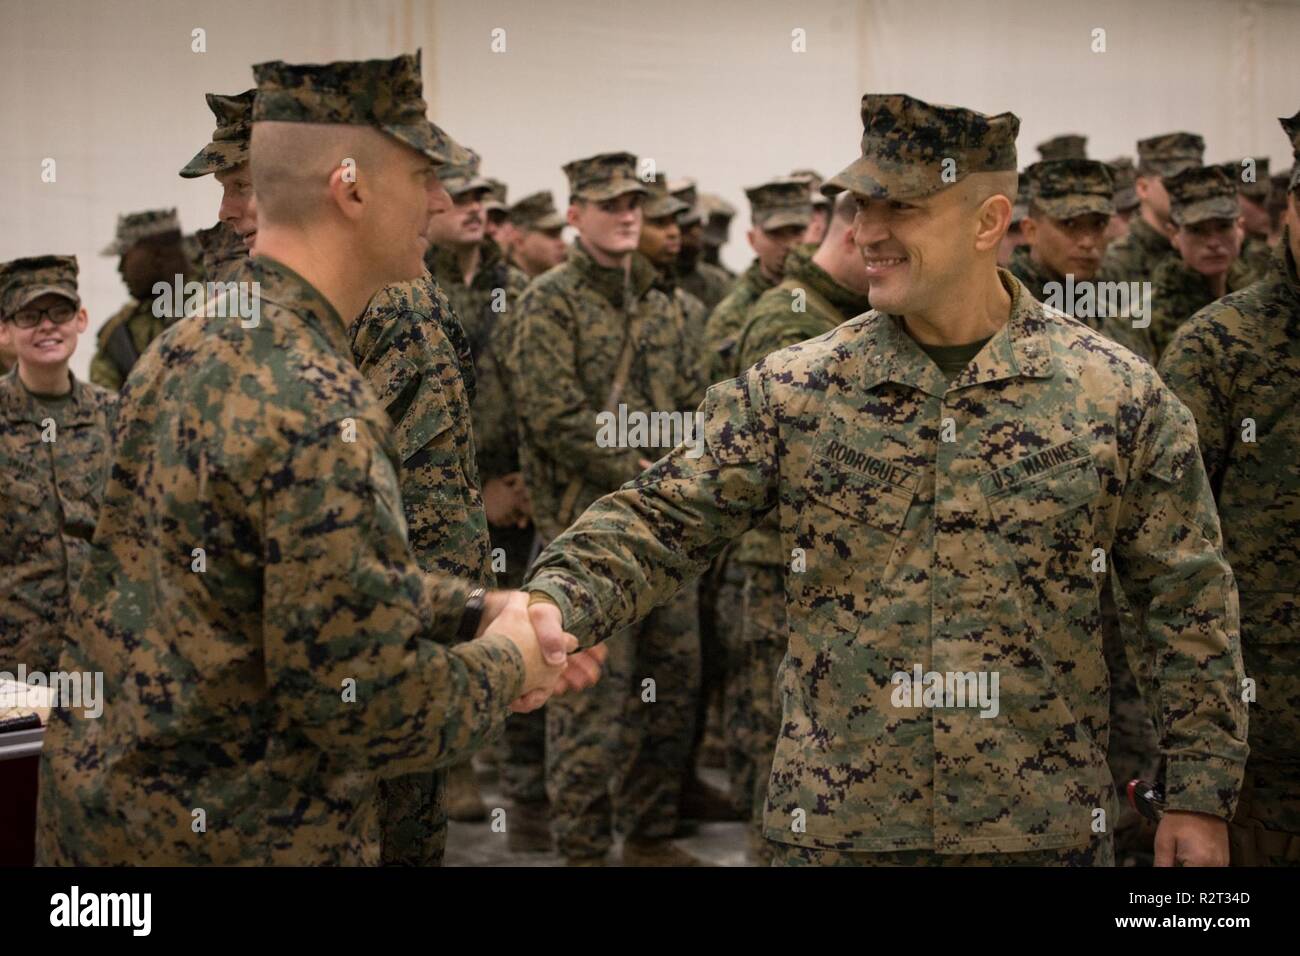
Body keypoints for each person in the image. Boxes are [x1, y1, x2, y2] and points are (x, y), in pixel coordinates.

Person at [522, 93, 1247, 867]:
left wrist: (1198, 795)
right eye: (861, 205)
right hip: (840, 831)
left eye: (899, 206)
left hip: (1037, 831)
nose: (866, 231)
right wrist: (548, 602)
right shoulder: (800, 387)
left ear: (986, 221)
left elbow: (1186, 595)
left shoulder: (1115, 396)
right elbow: (659, 518)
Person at [36, 51, 586, 867]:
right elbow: (369, 703)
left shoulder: (192, 342)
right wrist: (509, 661)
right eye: (423, 174)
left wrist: (469, 606)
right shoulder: (316, 399)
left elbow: (283, 568)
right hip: (247, 828)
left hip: (125, 823)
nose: (439, 202)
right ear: (353, 188)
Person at [512, 151, 707, 866]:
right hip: (584, 539)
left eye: (636, 205)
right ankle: (584, 849)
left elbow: (699, 407)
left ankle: (650, 838)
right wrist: (640, 473)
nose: (628, 216)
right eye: (610, 205)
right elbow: (551, 414)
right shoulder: (549, 302)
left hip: (667, 539)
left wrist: (675, 479)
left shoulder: (674, 306)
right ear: (573, 216)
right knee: (587, 704)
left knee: (670, 691)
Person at [1157, 109, 1300, 865]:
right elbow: (1167, 562)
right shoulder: (1220, 347)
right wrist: (1194, 779)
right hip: (1261, 759)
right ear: (1287, 215)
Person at [728, 190, 871, 861]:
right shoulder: (790, 318)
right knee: (782, 757)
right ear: (847, 239)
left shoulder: (837, 312)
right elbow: (797, 466)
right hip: (782, 569)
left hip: (820, 571)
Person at [0, 255, 114, 674]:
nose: (47, 326)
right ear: (4, 329)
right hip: (13, 667)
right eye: (29, 315)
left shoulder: (113, 414)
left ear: (81, 319)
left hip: (100, 657)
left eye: (60, 311)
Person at [1148, 164, 1249, 359]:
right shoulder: (1147, 315)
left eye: (1223, 227)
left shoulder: (1261, 302)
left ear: (1240, 228)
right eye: (1197, 230)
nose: (1213, 242)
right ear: (1174, 235)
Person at [88, 209, 195, 390]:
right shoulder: (121, 335)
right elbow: (104, 402)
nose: (120, 269)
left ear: (157, 255)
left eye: (125, 256)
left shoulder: (224, 299)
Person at [1101, 132, 1204, 287]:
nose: (1187, 189)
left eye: (1195, 181)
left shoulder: (1206, 250)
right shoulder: (1115, 263)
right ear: (1143, 188)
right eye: (1174, 182)